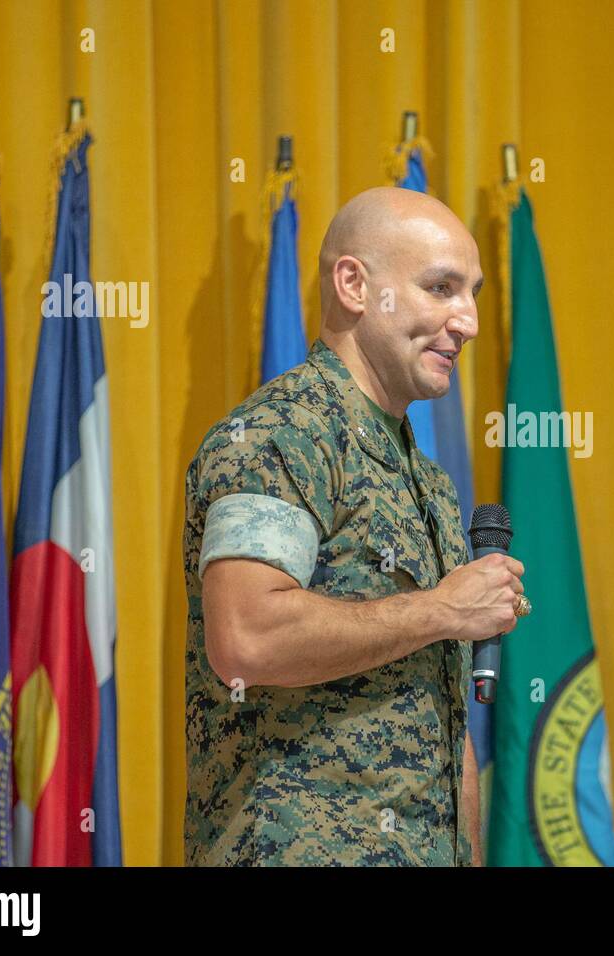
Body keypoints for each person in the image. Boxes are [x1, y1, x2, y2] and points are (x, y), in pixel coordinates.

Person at [182, 186, 527, 865]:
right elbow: (246, 637)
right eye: (441, 288)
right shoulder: (279, 435)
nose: (469, 322)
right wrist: (440, 609)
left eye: (473, 293)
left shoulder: (425, 481)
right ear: (354, 285)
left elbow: (442, 717)